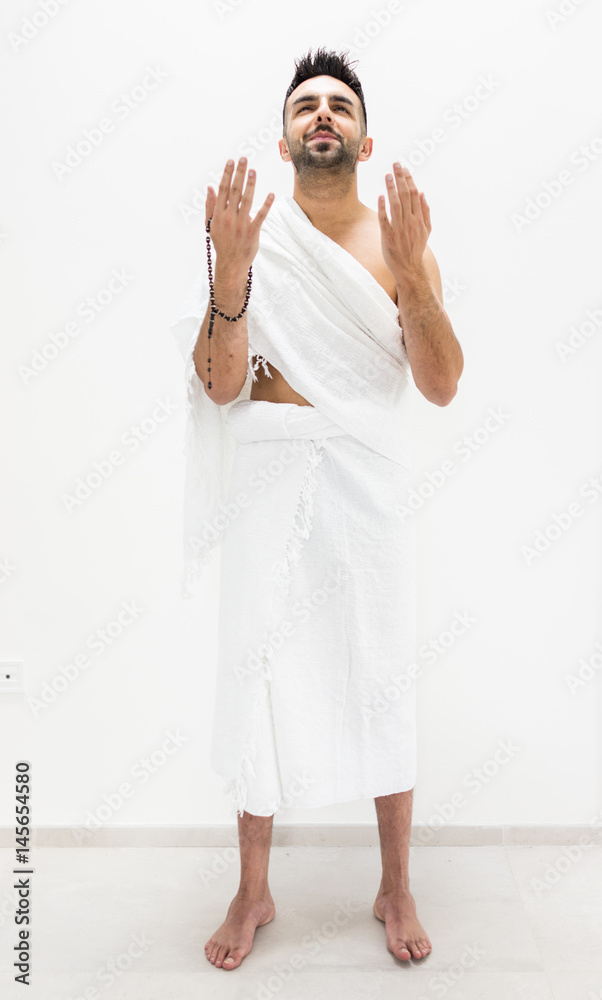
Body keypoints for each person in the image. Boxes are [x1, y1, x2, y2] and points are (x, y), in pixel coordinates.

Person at [171, 47, 463, 971]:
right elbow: (221, 388)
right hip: (268, 472)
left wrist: (415, 277)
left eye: (340, 104)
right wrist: (230, 275)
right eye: (307, 105)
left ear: (365, 139)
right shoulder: (254, 237)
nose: (323, 115)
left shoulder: (399, 241)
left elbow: (442, 386)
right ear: (286, 135)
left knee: (380, 668)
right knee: (257, 666)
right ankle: (253, 889)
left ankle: (396, 882)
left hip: (366, 478)